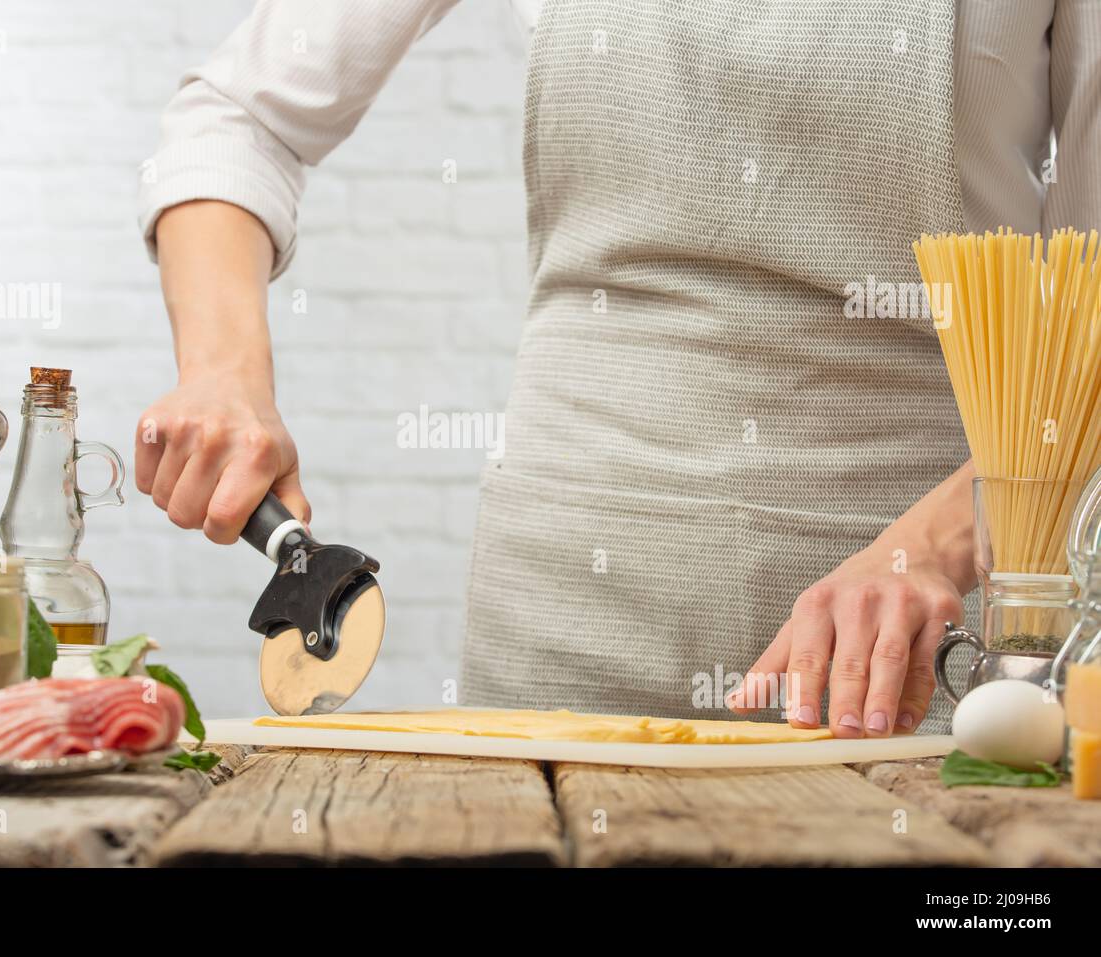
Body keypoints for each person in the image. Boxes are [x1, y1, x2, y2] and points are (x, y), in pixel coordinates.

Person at [135, 0, 1100, 735]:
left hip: (921, 642)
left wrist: (928, 550)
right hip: (565, 615)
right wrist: (223, 371)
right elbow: (242, 118)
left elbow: (1090, 315)